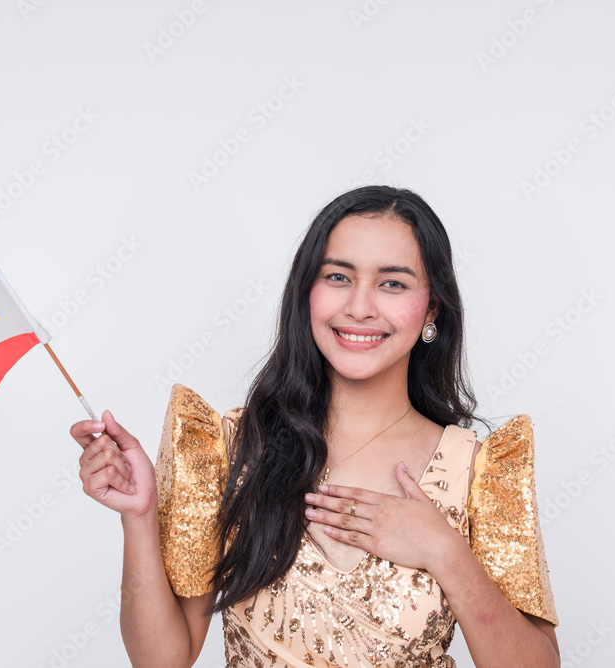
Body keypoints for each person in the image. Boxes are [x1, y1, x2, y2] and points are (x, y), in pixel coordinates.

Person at [70, 185, 560, 667]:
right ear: (307, 292)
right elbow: (161, 660)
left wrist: (444, 550)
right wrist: (138, 517)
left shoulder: (481, 470)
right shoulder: (231, 448)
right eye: (338, 277)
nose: (360, 307)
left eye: (393, 283)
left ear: (432, 308)